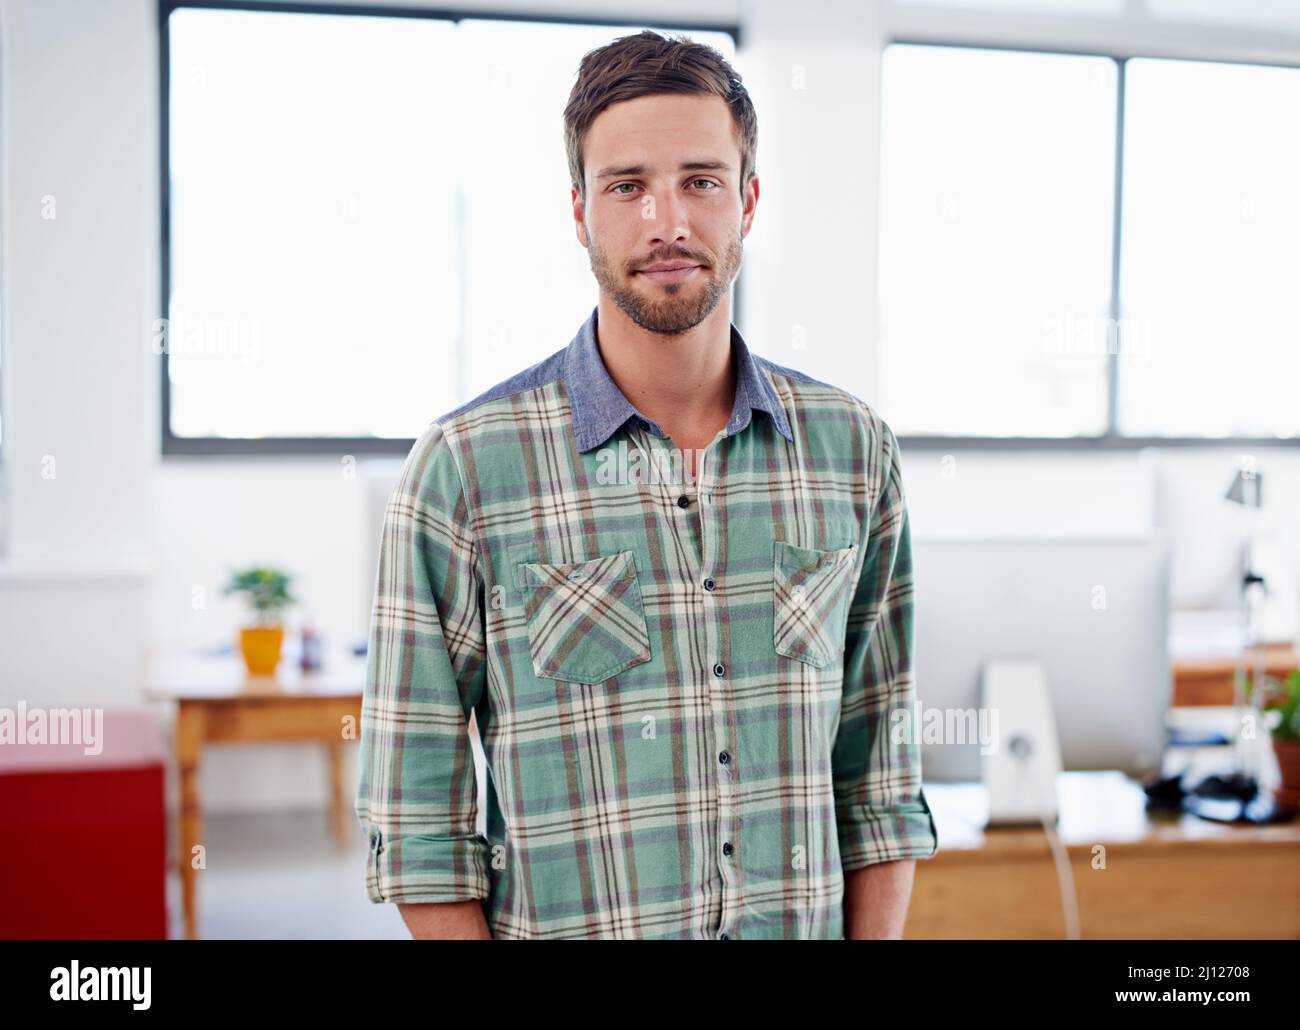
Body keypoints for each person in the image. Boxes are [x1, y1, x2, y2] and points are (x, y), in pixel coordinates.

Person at [354, 28, 937, 940]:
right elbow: (418, 818)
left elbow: (880, 781)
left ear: (747, 201)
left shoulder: (854, 452)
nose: (667, 221)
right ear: (580, 212)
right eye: (627, 186)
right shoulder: (465, 469)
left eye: (700, 181)